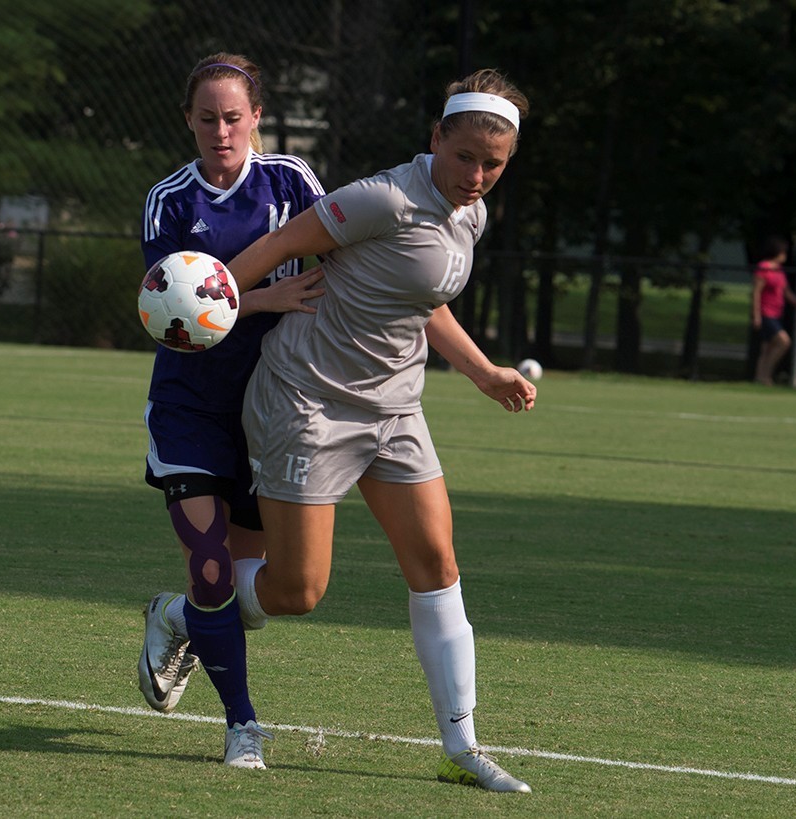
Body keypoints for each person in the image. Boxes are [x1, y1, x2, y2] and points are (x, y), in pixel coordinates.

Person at [224, 67, 536, 792]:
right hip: (308, 400)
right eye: (466, 158)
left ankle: (462, 746)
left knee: (437, 561)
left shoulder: (472, 214)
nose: (478, 175)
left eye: (495, 165)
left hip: (395, 408)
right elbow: (256, 261)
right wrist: (240, 302)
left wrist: (485, 371)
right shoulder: (381, 197)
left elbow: (419, 295)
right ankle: (190, 607)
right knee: (298, 591)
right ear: (437, 139)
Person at [136, 52, 325, 770]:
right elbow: (171, 312)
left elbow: (332, 257)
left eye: (234, 117)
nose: (222, 130)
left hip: (271, 407)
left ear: (257, 118)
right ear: (188, 119)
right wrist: (265, 297)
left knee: (258, 587)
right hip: (189, 404)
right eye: (207, 118)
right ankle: (242, 723)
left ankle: (174, 616)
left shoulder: (291, 182)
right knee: (213, 570)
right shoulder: (169, 200)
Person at [751, 235, 796, 386]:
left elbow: (786, 292)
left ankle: (760, 378)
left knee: (767, 347)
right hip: (766, 313)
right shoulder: (764, 267)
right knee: (784, 342)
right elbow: (756, 292)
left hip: (777, 313)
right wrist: (756, 315)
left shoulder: (779, 270)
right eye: (783, 252)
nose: (785, 255)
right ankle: (766, 376)